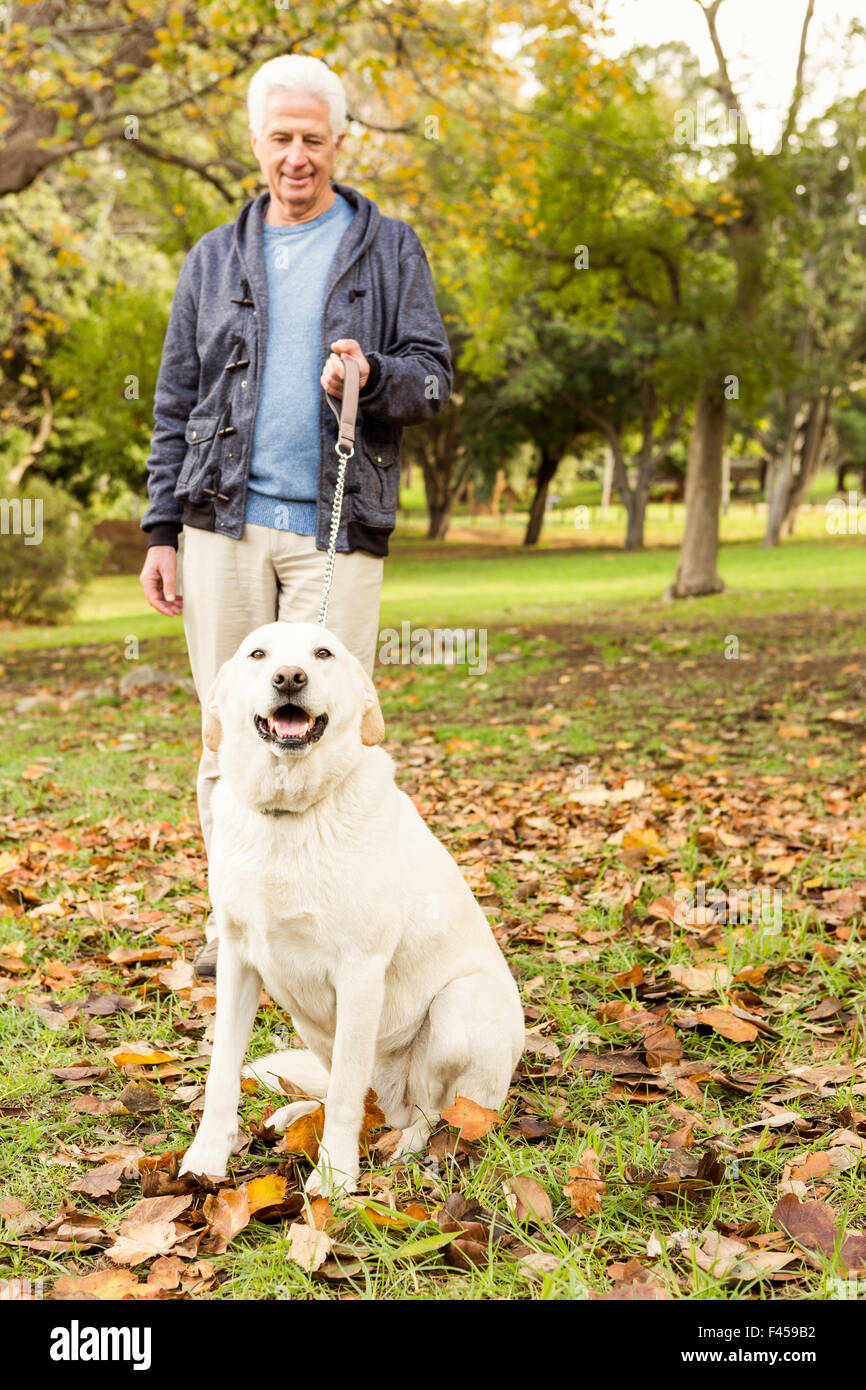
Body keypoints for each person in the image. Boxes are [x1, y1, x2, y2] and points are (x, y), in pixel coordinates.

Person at [139, 53, 453, 975]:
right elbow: (174, 402)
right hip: (218, 525)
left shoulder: (389, 248)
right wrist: (162, 531)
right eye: (280, 138)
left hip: (335, 528)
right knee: (226, 727)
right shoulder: (213, 257)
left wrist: (375, 375)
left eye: (314, 139)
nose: (297, 156)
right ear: (254, 142)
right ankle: (231, 928)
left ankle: (331, 924)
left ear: (341, 142)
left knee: (339, 731)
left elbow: (433, 379)